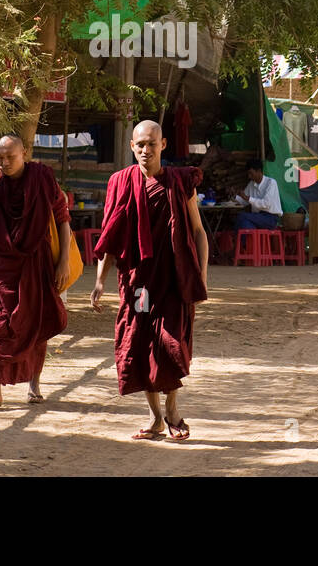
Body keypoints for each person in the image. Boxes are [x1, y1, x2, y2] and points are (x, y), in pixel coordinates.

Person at [91, 120, 209, 441]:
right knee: (141, 344)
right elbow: (110, 237)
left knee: (171, 345)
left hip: (174, 279)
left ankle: (173, 409)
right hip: (137, 283)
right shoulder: (119, 183)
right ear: (132, 146)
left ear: (164, 145)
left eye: (152, 144)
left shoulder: (181, 181)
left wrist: (201, 278)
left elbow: (198, 232)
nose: (146, 150)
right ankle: (156, 417)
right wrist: (100, 281)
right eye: (140, 145)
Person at [0, 134, 74, 407]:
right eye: (0, 158)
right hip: (3, 268)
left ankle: (34, 385)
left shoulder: (42, 177)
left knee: (34, 323)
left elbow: (62, 218)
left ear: (24, 153)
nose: (5, 163)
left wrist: (62, 261)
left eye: (10, 157)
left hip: (37, 265)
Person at [235, 158, 282, 229]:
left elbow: (266, 204)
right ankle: (249, 240)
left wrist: (247, 198)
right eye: (248, 174)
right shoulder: (251, 184)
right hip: (258, 217)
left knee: (242, 216)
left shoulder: (271, 183)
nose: (249, 176)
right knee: (245, 224)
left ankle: (237, 239)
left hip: (271, 218)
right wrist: (234, 196)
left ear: (259, 171)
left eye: (251, 173)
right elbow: (243, 201)